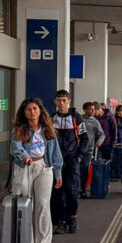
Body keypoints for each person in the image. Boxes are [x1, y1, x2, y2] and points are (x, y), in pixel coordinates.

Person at [9, 98, 63, 243]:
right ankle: (27, 242)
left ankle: (44, 242)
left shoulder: (47, 129)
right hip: (24, 167)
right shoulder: (18, 129)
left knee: (43, 204)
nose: (32, 112)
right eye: (28, 110)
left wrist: (58, 171)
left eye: (35, 109)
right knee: (25, 204)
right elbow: (16, 148)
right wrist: (24, 156)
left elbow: (56, 151)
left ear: (40, 110)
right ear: (24, 113)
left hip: (44, 167)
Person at [51, 90, 88, 234]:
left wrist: (79, 156)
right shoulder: (51, 118)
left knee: (72, 191)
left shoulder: (76, 118)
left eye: (64, 100)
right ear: (55, 102)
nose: (61, 103)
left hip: (72, 159)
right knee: (57, 192)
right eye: (59, 100)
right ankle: (60, 220)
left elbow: (85, 138)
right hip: (55, 161)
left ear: (69, 101)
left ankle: (72, 217)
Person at [79, 102, 106, 199]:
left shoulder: (95, 121)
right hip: (77, 148)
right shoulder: (79, 119)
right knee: (76, 169)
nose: (93, 111)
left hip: (89, 149)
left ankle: (82, 189)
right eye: (90, 109)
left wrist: (99, 141)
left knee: (84, 169)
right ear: (84, 110)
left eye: (94, 109)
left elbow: (102, 134)